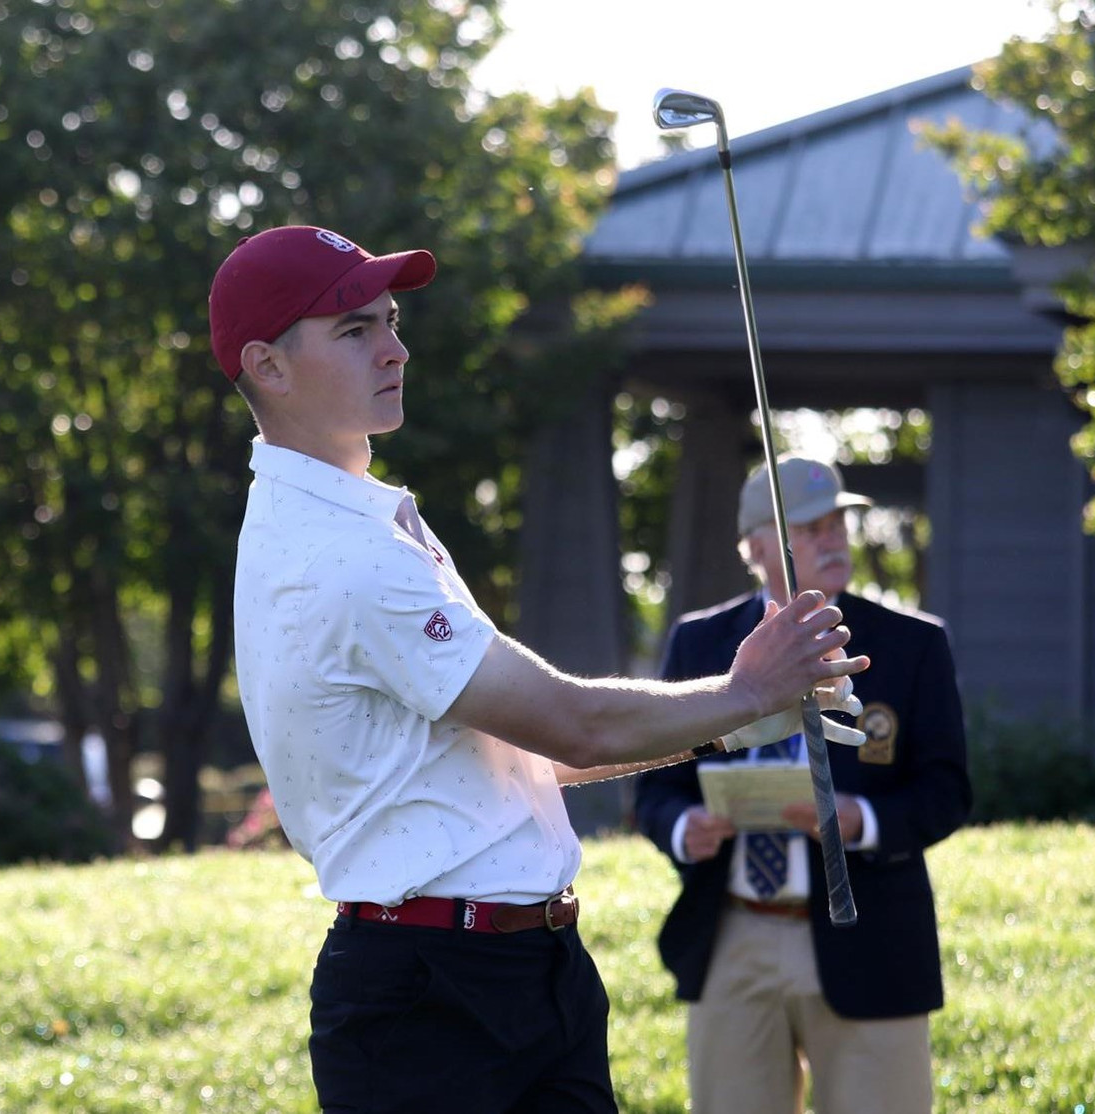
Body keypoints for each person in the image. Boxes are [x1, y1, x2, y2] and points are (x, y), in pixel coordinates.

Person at [210, 224, 868, 1113]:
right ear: (269, 367)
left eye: (392, 320)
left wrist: (757, 711)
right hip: (430, 1003)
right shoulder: (342, 553)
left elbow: (524, 754)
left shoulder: (367, 523)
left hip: (523, 971)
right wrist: (746, 688)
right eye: (354, 329)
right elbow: (573, 723)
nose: (396, 348)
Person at [633, 455, 973, 1114]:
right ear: (757, 545)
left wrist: (860, 822)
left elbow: (947, 792)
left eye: (839, 523)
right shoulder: (698, 643)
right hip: (733, 931)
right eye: (810, 528)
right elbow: (656, 785)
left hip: (869, 933)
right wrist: (682, 828)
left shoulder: (912, 645)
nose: (834, 539)